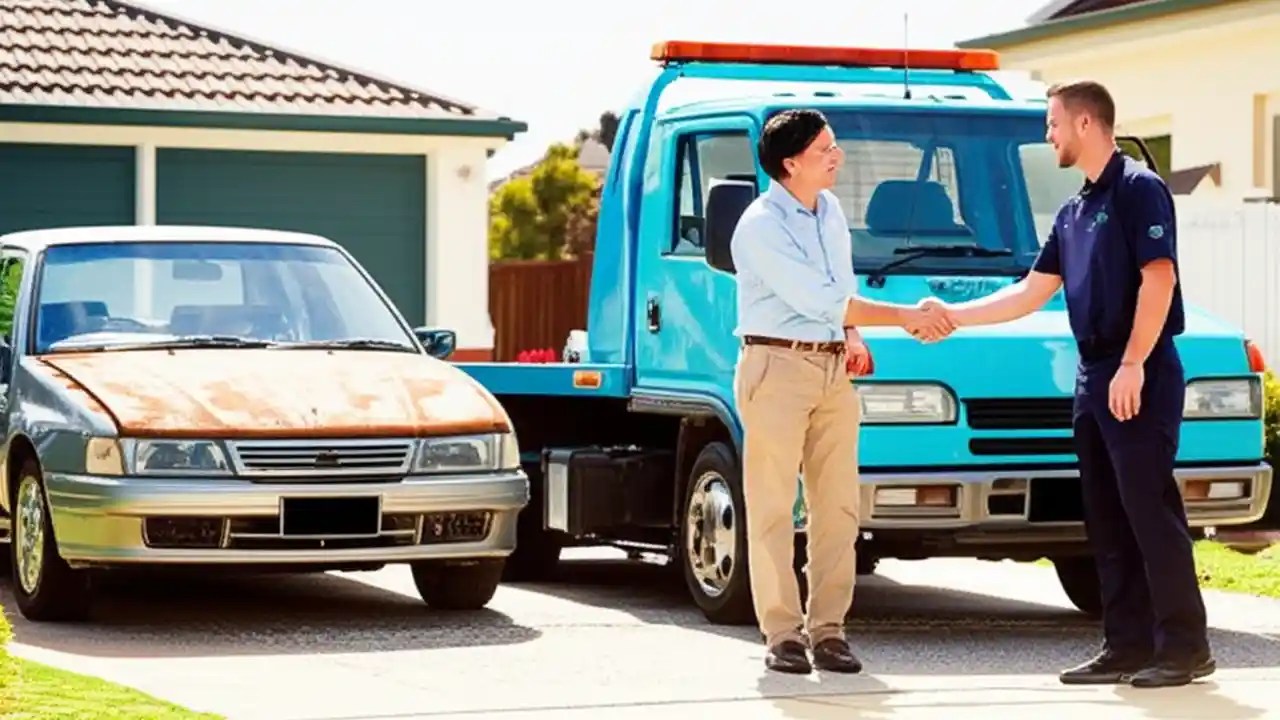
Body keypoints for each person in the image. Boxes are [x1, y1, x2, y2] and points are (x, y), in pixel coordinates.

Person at [922, 80, 1213, 688]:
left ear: (1085, 124)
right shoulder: (1075, 210)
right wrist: (954, 321)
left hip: (1141, 369)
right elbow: (1031, 292)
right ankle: (1126, 645)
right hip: (1094, 377)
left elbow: (1158, 279)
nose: (1047, 134)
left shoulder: (1139, 190)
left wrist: (1134, 363)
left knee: (1149, 512)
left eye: (1053, 123)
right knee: (1106, 516)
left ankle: (1185, 648)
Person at [730, 108, 955, 675]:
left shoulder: (828, 210)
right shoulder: (759, 226)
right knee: (774, 507)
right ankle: (782, 632)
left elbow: (840, 291)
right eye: (826, 148)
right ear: (790, 163)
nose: (839, 156)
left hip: (832, 370)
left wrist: (851, 334)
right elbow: (820, 301)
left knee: (838, 508)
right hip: (775, 367)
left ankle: (829, 631)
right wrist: (906, 316)